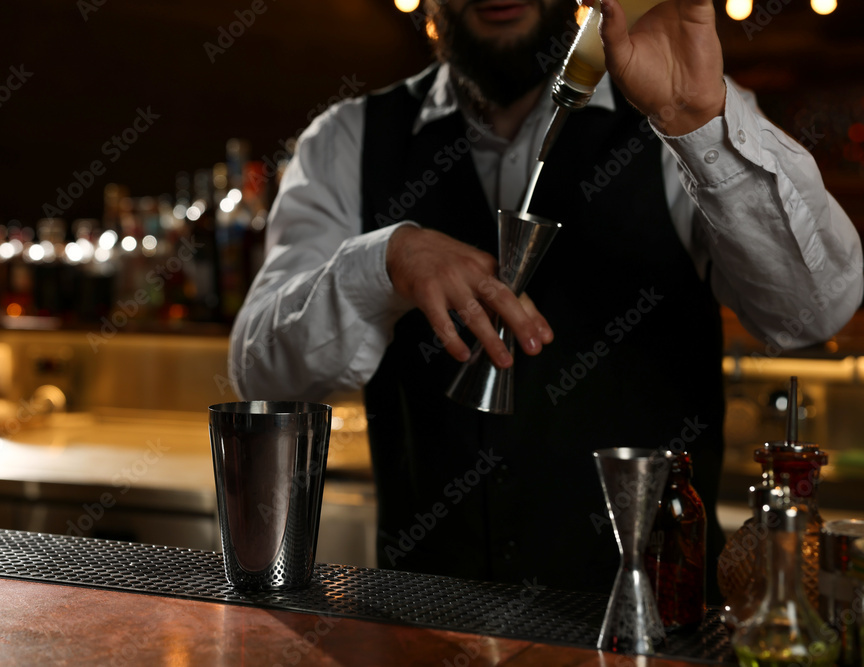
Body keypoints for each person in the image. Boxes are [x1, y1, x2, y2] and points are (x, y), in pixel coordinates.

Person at [228, 0, 862, 597]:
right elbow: (259, 372)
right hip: (427, 621)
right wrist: (382, 261)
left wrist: (697, 123)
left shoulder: (686, 109)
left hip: (652, 628)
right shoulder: (346, 139)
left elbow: (812, 313)